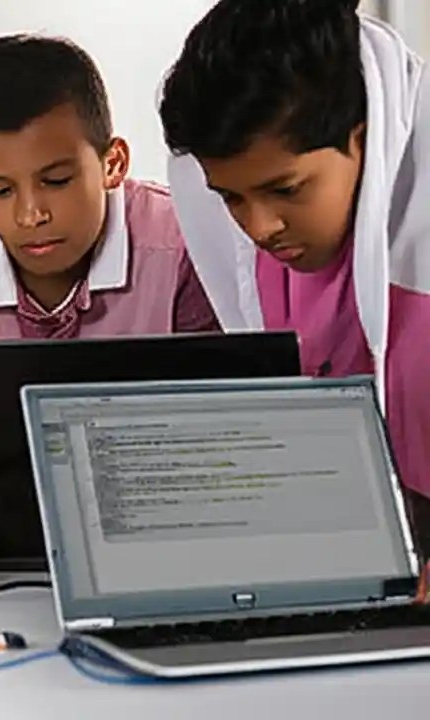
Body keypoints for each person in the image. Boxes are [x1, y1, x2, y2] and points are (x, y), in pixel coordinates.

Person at [159, 0, 430, 547]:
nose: (260, 227)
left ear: (363, 136)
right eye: (231, 197)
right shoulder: (255, 268)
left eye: (286, 190)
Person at [0, 34, 219, 474]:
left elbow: (209, 432)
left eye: (56, 181)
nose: (30, 215)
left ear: (112, 163)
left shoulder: (184, 244)